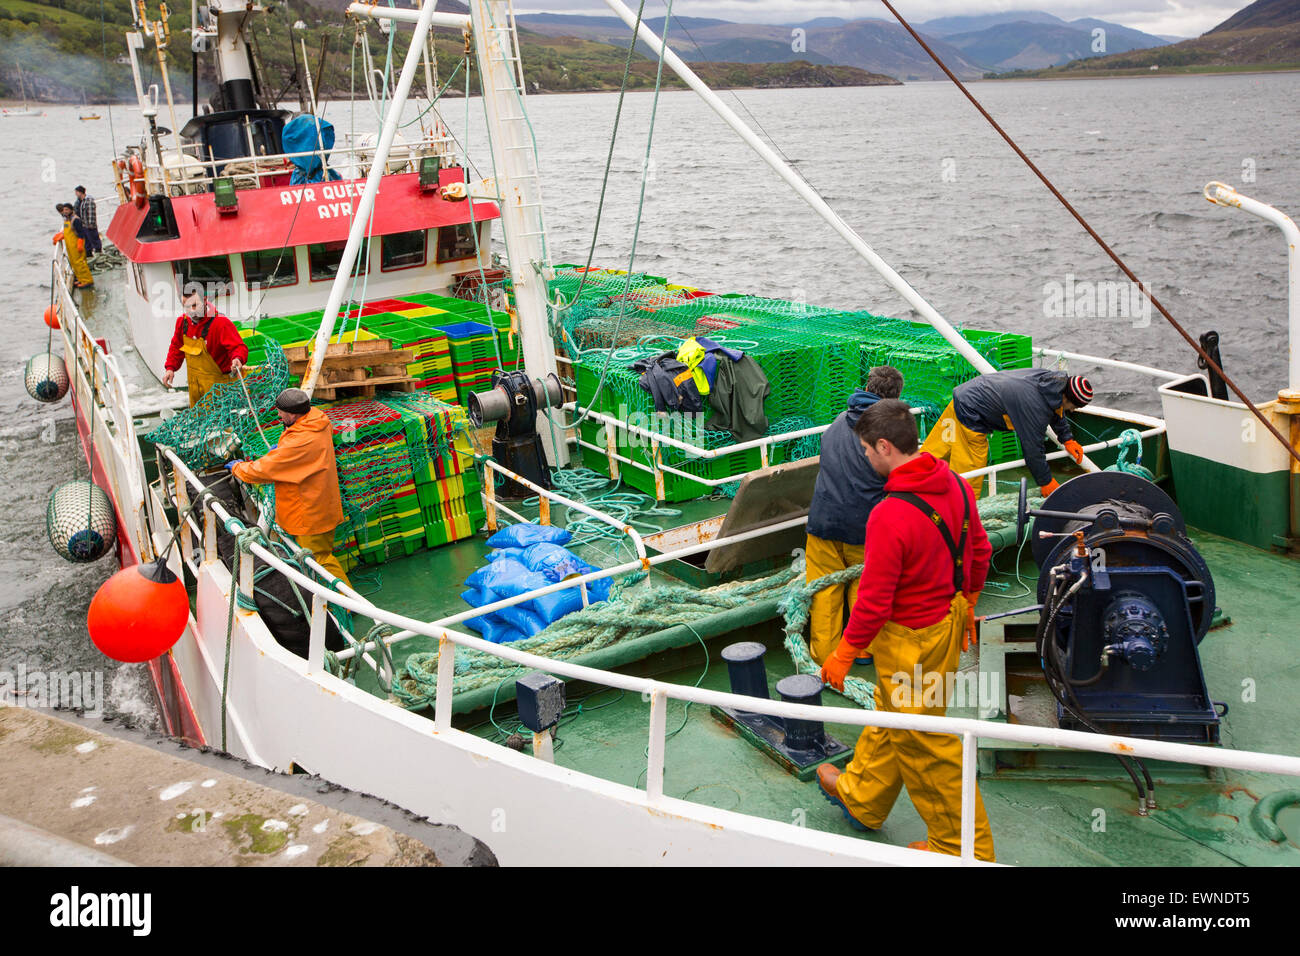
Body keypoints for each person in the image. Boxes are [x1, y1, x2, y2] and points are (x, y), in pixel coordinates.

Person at [816, 398, 996, 861]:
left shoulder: (890, 514)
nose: (865, 459)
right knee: (895, 716)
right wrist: (970, 600)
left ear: (883, 447)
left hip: (909, 640)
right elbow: (979, 548)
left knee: (925, 746)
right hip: (948, 625)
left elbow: (874, 601)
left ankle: (962, 849)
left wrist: (842, 653)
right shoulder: (956, 483)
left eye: (866, 451)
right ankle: (860, 795)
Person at [803, 365, 904, 666]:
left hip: (822, 523)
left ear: (867, 387)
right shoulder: (889, 436)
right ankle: (862, 651)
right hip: (864, 531)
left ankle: (823, 659)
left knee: (824, 594)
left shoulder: (835, 424)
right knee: (865, 591)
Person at [228, 388, 350, 587]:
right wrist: (282, 450)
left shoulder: (300, 441)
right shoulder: (317, 420)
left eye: (281, 412)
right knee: (317, 556)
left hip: (310, 514)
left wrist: (238, 468)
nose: (278, 415)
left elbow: (263, 470)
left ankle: (347, 604)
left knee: (319, 560)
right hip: (322, 504)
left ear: (293, 414)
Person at [921, 369, 1093, 498]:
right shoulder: (1035, 407)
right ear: (1067, 398)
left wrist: (1067, 439)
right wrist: (1045, 482)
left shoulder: (1052, 381)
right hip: (972, 413)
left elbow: (1057, 409)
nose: (1072, 411)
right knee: (971, 468)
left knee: (936, 448)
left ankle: (905, 476)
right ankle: (961, 509)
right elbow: (1033, 449)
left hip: (966, 394)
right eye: (1074, 407)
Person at [162, 288, 248, 406]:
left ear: (205, 300)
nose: (191, 311)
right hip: (196, 390)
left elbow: (239, 347)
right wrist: (170, 368)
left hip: (222, 390)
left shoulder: (221, 323)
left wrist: (237, 358)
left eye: (194, 305)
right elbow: (176, 346)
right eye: (186, 306)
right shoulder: (182, 322)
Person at [52, 203, 93, 289]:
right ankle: (81, 279)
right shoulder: (67, 219)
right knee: (74, 263)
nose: (65, 211)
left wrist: (80, 243)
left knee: (80, 263)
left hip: (77, 244)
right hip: (70, 245)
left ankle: (87, 281)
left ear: (71, 210)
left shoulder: (75, 220)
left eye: (67, 210)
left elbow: (81, 233)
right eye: (64, 210)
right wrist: (62, 235)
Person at [74, 186, 102, 256]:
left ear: (80, 192)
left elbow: (90, 213)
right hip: (85, 225)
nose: (76, 194)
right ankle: (89, 254)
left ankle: (98, 253)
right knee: (88, 242)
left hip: (89, 225)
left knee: (94, 239)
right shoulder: (82, 201)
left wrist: (90, 225)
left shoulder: (88, 201)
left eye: (76, 192)